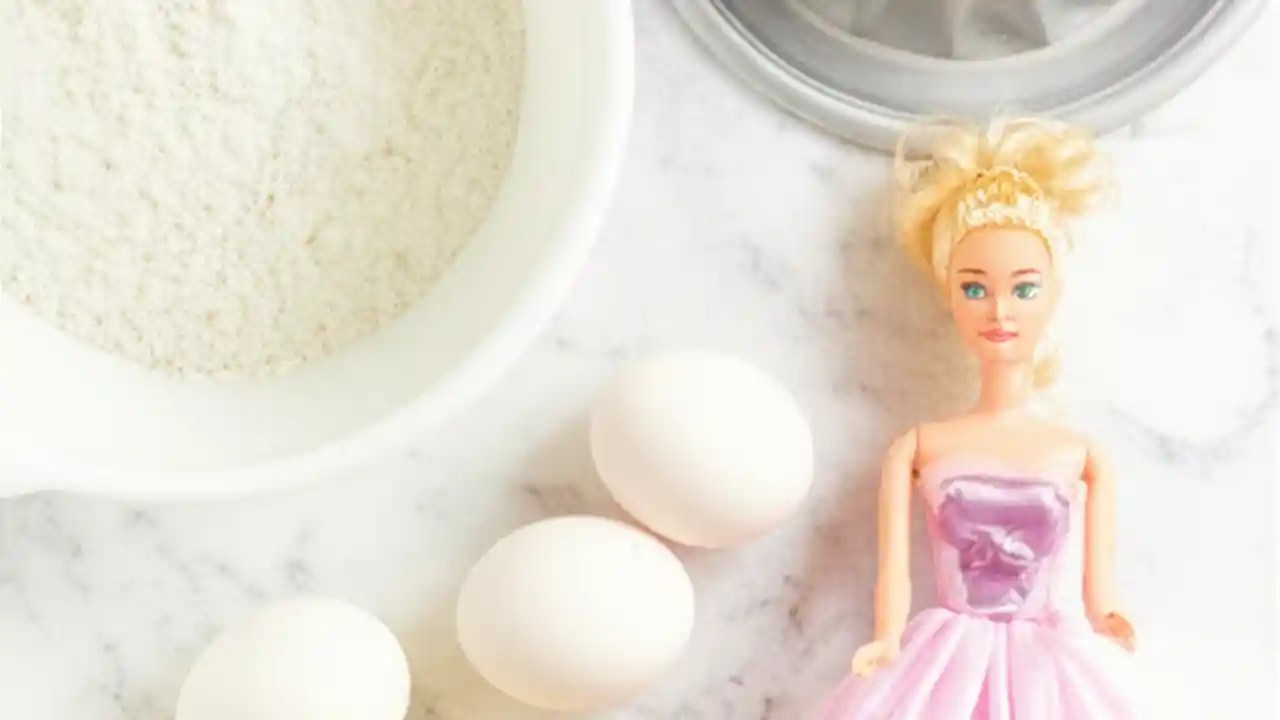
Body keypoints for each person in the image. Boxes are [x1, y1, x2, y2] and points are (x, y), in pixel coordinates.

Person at [818, 117, 1139, 719]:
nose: (998, 310)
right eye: (973, 289)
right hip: (947, 657)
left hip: (1049, 658)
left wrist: (1108, 618)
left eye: (1023, 288)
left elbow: (1100, 591)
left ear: (1052, 292)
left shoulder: (1081, 454)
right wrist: (886, 637)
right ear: (949, 295)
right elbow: (894, 580)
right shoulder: (919, 446)